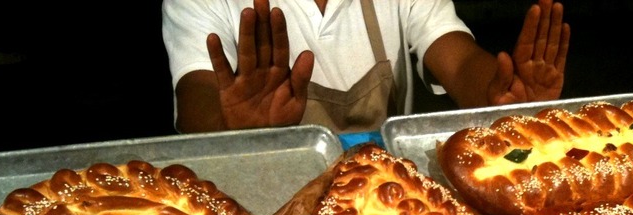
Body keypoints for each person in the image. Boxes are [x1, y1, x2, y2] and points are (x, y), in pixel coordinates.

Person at [162, 0, 570, 134]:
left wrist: (498, 95)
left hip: (390, 203)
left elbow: (458, 58)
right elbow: (196, 94)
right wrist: (231, 133)